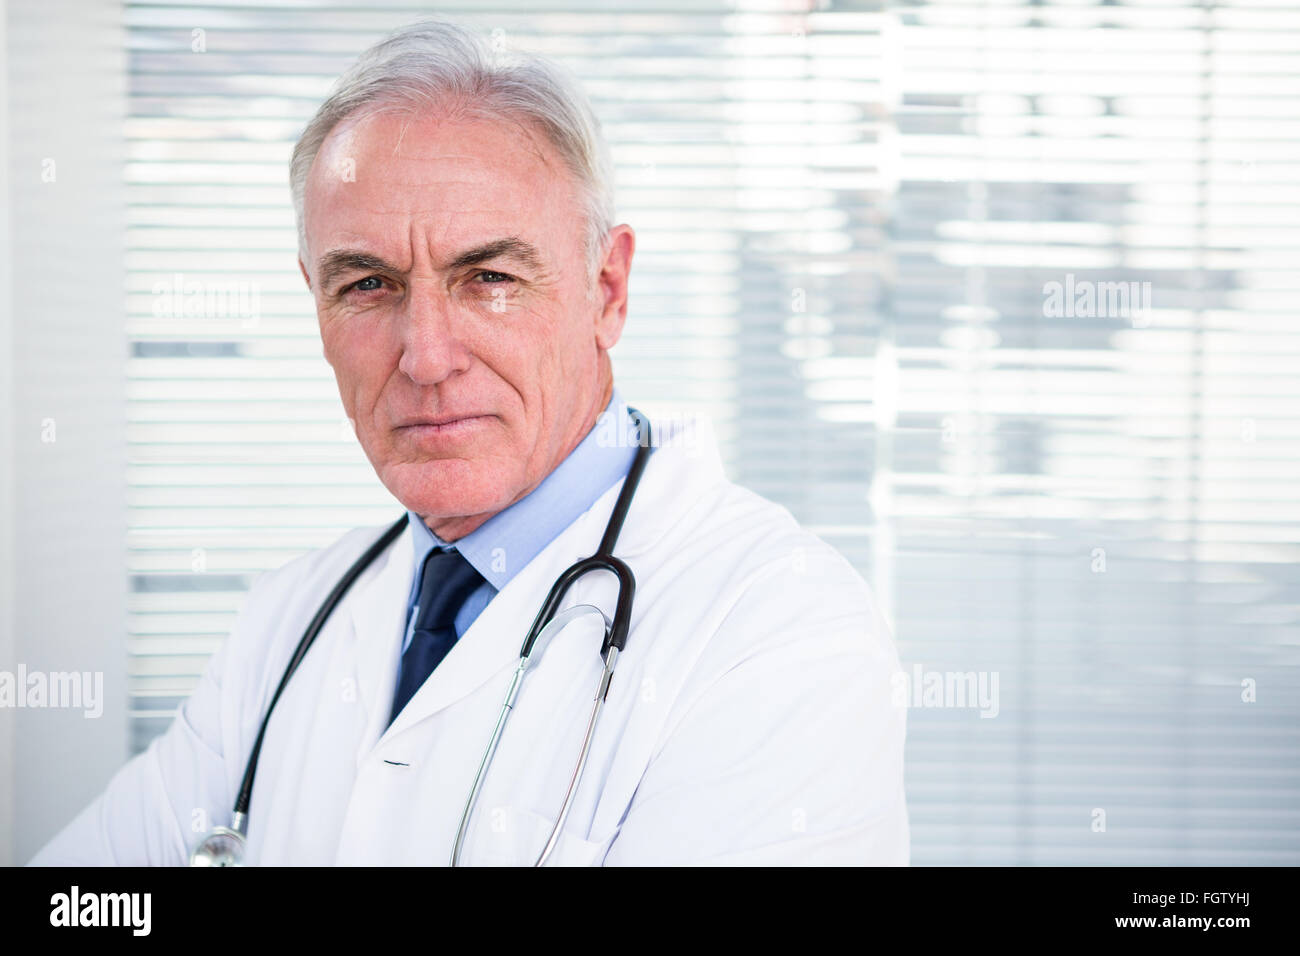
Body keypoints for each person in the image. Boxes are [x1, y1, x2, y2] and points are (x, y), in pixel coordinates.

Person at [30, 18, 908, 866]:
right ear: (316, 303)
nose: (426, 357)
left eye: (488, 278)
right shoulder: (291, 622)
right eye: (368, 284)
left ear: (607, 291)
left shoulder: (780, 633)